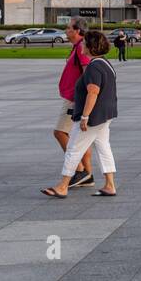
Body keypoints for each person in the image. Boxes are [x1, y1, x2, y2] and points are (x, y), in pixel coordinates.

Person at [43, 30, 119, 198]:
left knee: (74, 149)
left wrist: (85, 116)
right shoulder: (105, 64)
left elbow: (93, 92)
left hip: (93, 117)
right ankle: (110, 184)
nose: (82, 46)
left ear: (91, 47)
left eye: (85, 43)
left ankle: (63, 186)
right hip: (105, 115)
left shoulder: (93, 67)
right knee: (103, 147)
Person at [53, 18, 95, 189]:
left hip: (75, 99)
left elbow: (87, 72)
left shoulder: (81, 48)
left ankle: (79, 170)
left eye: (69, 27)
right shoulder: (77, 47)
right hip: (74, 97)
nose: (66, 29)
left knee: (60, 132)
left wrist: (84, 97)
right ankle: (88, 175)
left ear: (77, 30)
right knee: (81, 137)